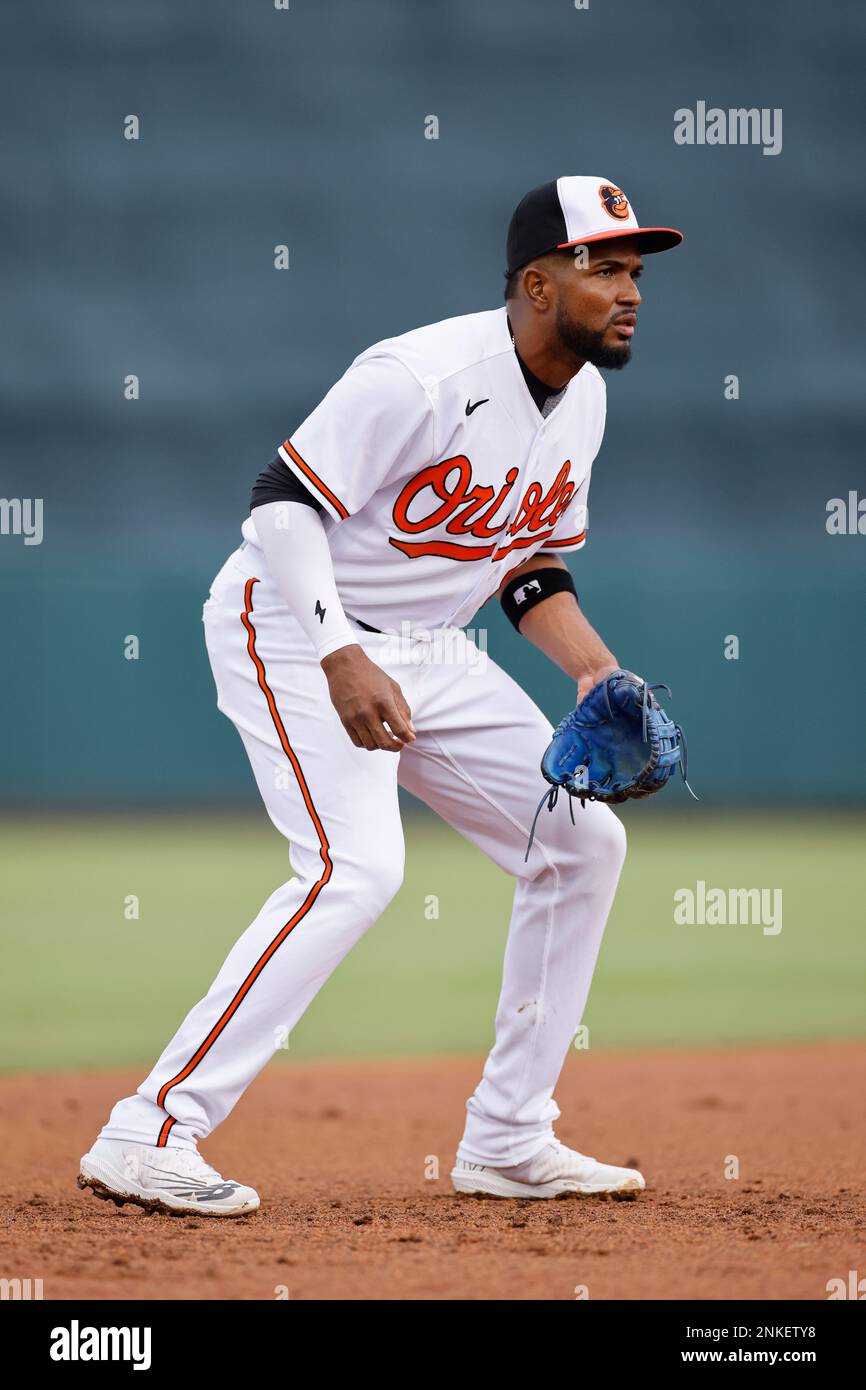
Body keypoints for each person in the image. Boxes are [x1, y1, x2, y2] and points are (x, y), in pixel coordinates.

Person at [78, 176, 682, 1215]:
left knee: (582, 842)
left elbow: (525, 566)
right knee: (355, 867)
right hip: (290, 621)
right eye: (604, 269)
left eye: (633, 271)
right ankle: (150, 1130)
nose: (629, 291)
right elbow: (280, 503)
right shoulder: (420, 374)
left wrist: (592, 668)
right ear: (537, 283)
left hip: (426, 646)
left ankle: (505, 1137)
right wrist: (335, 654)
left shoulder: (581, 398)